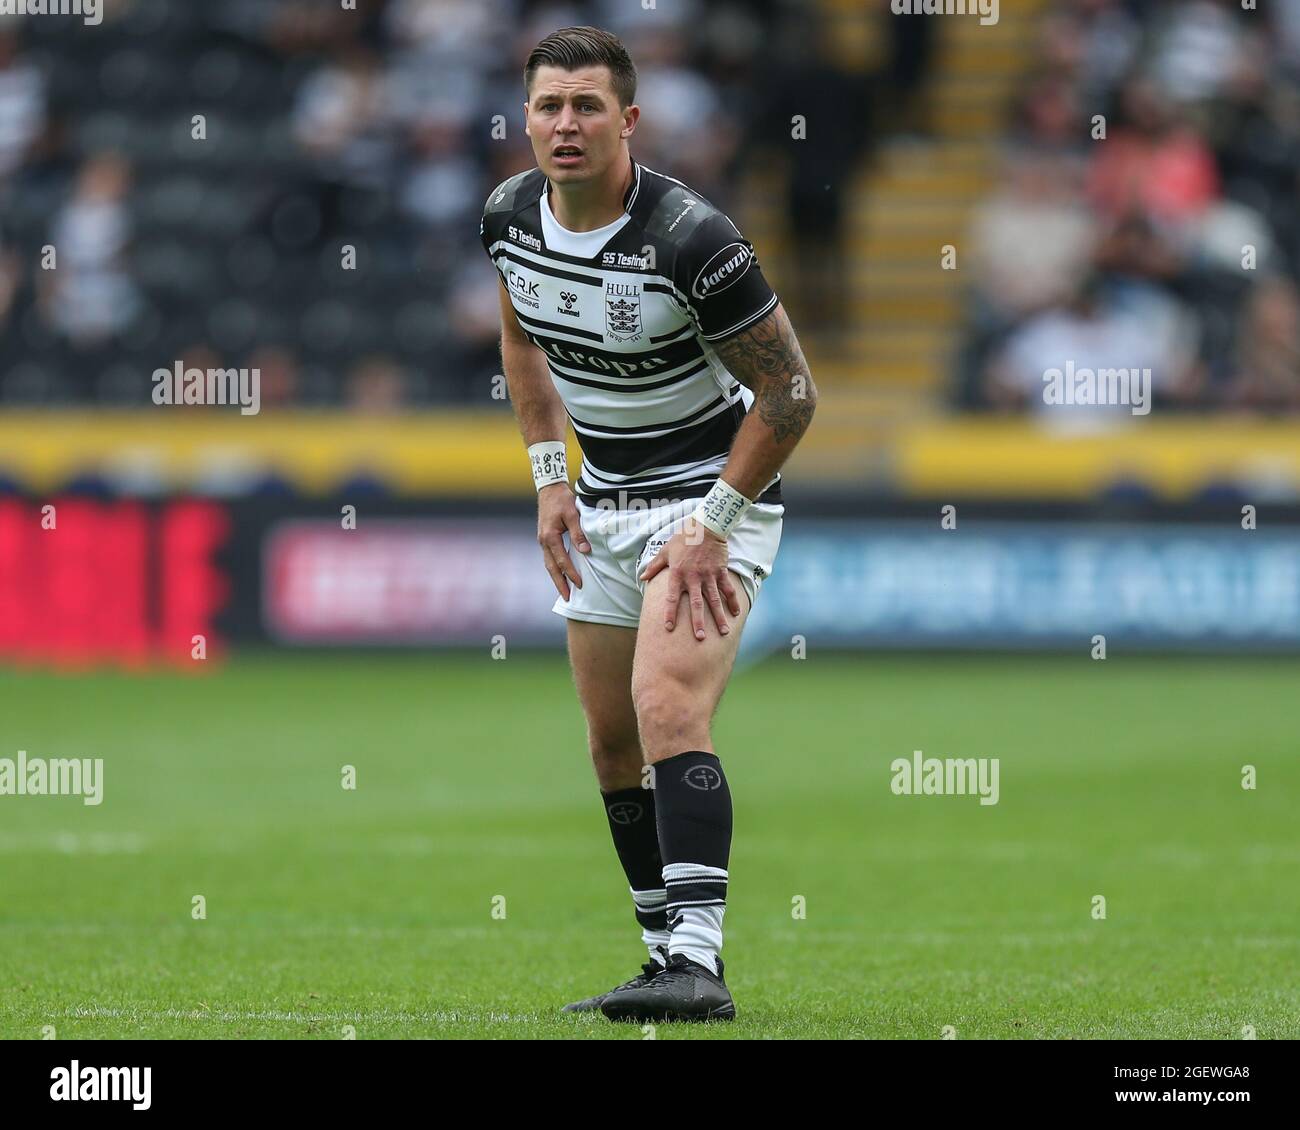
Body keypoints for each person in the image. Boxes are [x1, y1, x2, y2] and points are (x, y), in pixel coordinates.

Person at [479, 25, 817, 1022]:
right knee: (610, 741)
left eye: (588, 106)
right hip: (601, 505)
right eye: (549, 106)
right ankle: (661, 952)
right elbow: (521, 338)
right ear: (526, 117)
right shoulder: (507, 216)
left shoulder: (691, 239)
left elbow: (791, 394)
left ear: (628, 120)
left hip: (709, 499)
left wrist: (715, 519)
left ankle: (700, 964)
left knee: (667, 705)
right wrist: (551, 482)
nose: (566, 124)